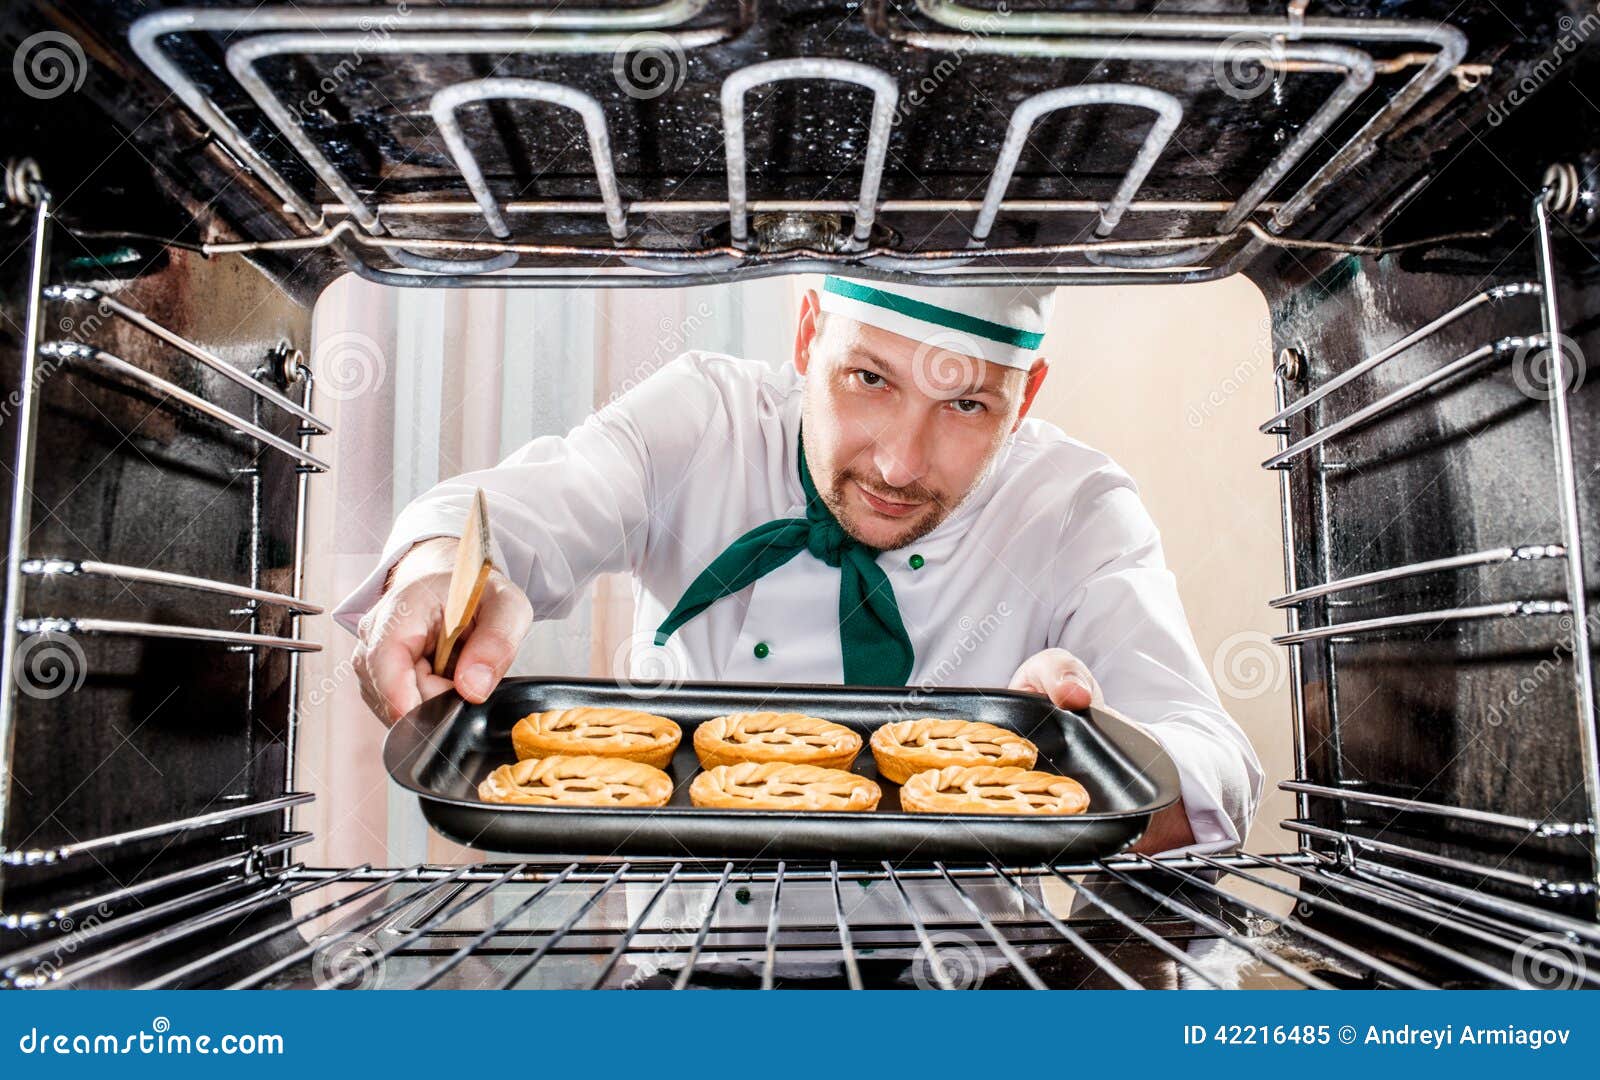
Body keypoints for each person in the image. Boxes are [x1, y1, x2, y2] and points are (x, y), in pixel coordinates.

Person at [333, 276, 1263, 854]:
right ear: (808, 333)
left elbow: (1216, 755)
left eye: (970, 406)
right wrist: (441, 569)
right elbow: (536, 503)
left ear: (1029, 396)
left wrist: (1098, 754)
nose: (901, 464)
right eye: (869, 379)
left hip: (966, 993)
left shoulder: (1077, 507)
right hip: (687, 969)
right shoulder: (706, 420)